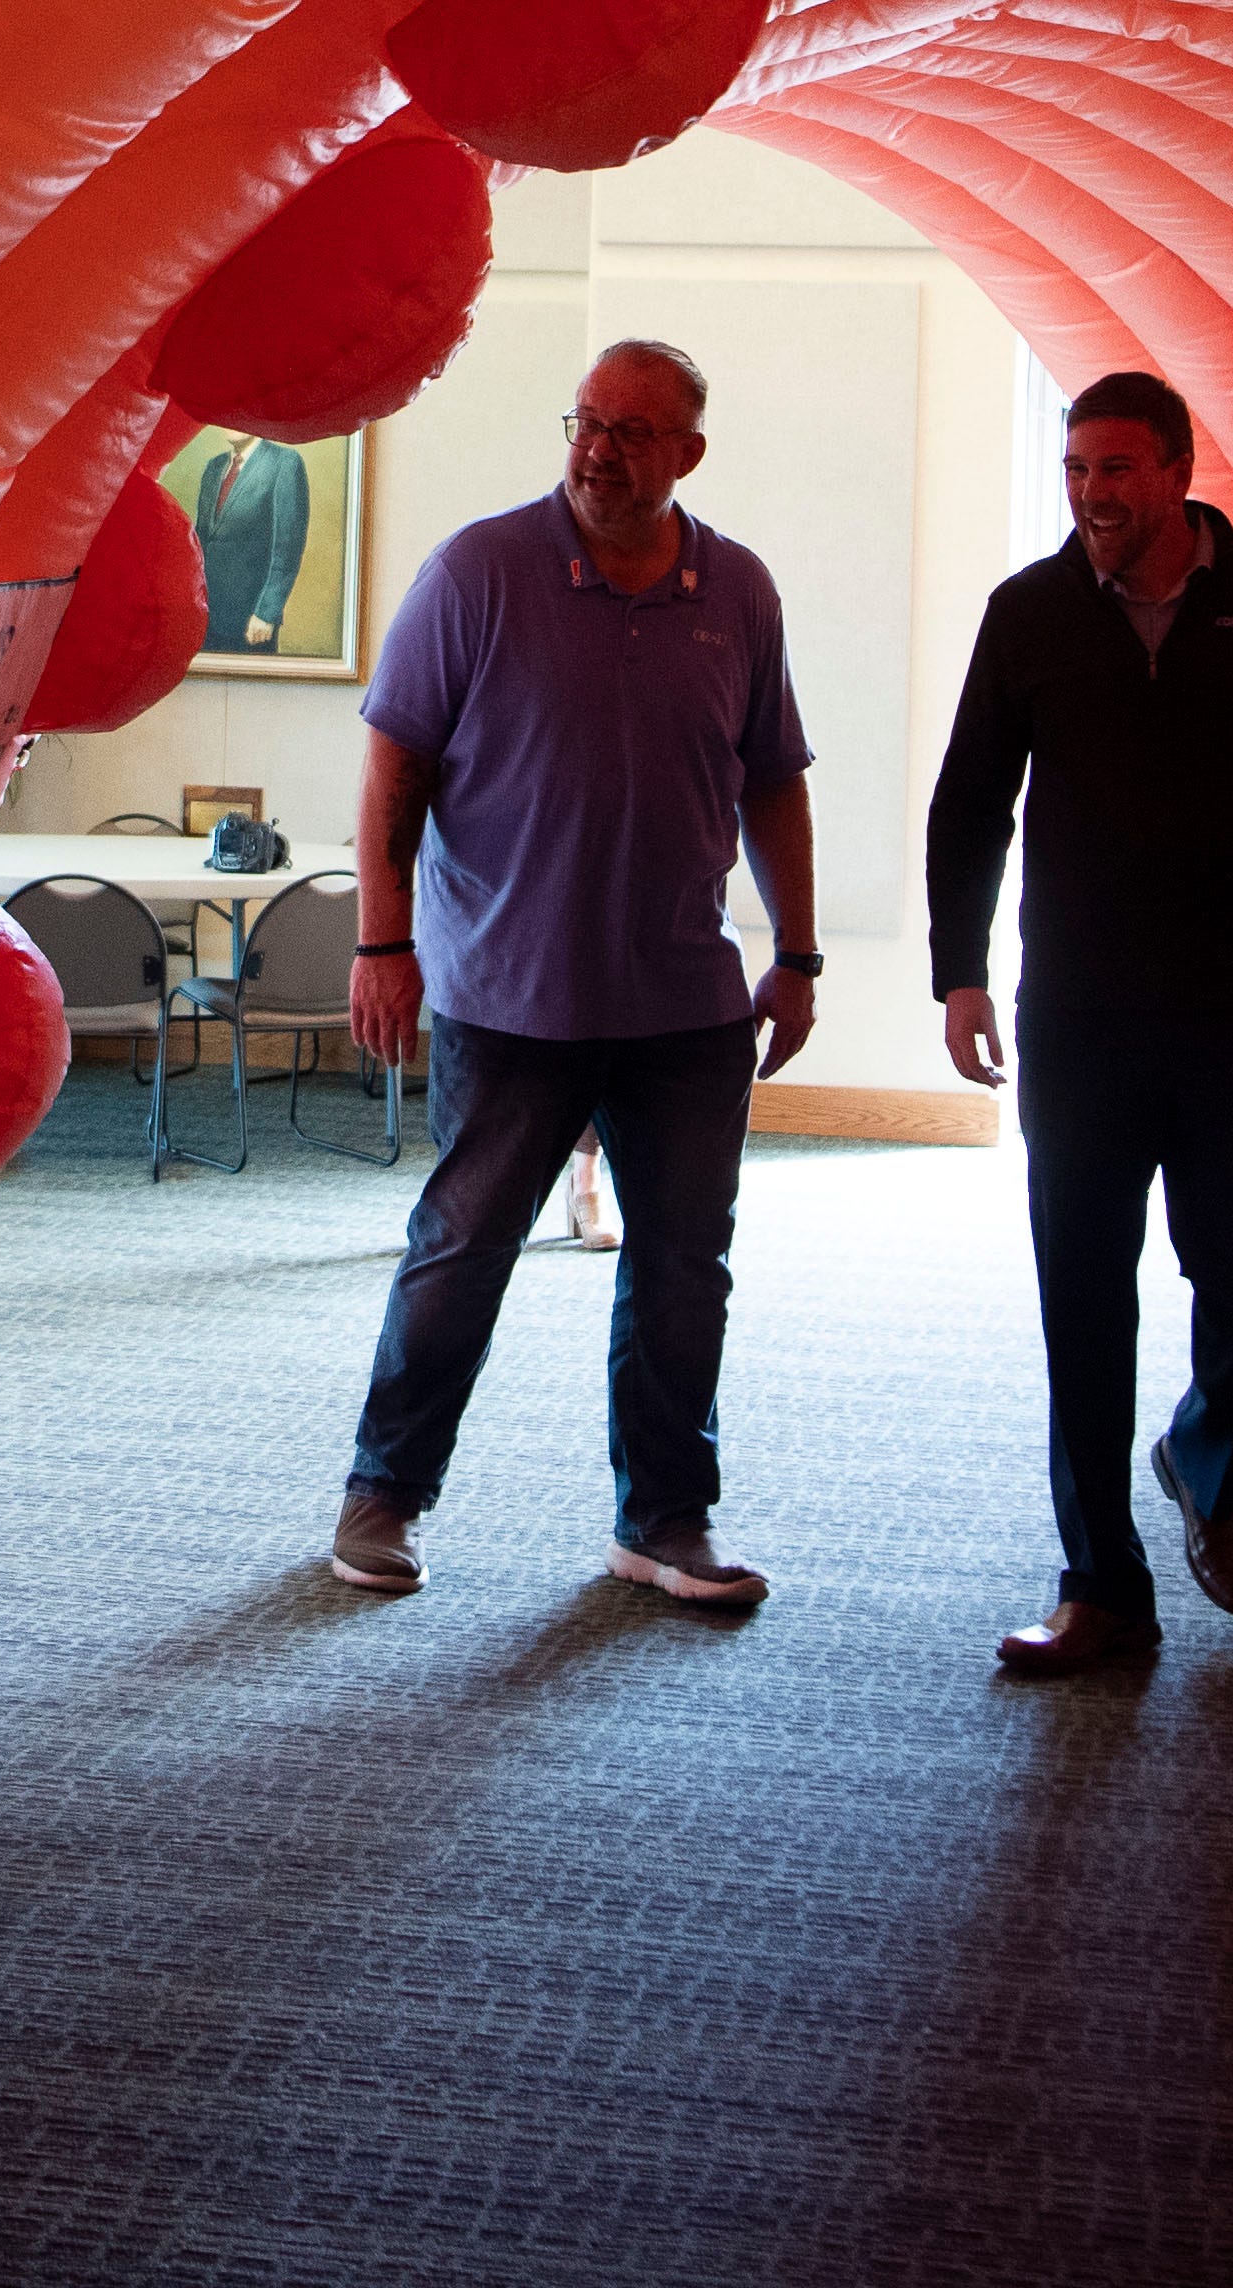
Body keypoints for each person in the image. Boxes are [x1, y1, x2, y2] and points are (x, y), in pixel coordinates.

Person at [330, 340, 821, 1606]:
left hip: (684, 1005)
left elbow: (774, 781)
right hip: (510, 998)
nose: (600, 450)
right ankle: (382, 1497)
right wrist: (385, 942)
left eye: (635, 433)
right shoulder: (480, 571)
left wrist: (799, 953)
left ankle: (665, 1521)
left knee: (681, 1272)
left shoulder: (740, 591)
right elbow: (395, 768)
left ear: (690, 454)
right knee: (461, 1252)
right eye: (588, 422)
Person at [928, 370, 1233, 1675]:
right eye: (1075, 470)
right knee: (1084, 1301)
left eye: (1117, 469)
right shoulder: (1029, 615)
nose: (1092, 495)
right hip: (1078, 1022)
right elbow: (971, 802)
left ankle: (1200, 1452)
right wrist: (961, 972)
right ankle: (1101, 1588)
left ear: (1179, 470)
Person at [187, 428, 314, 656]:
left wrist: (267, 612)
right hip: (205, 617)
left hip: (251, 621)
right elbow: (200, 542)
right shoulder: (214, 467)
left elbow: (287, 549)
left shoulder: (284, 463)